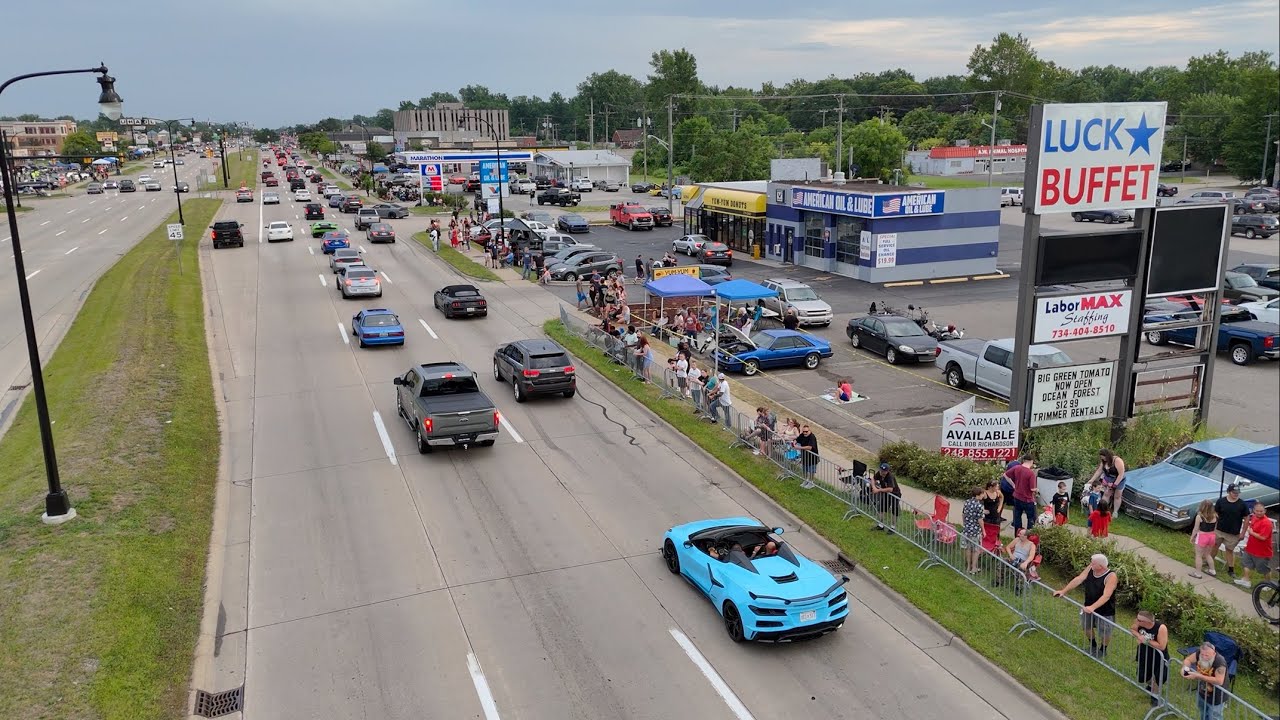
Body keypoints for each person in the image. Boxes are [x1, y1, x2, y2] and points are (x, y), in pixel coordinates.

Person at [1053, 553, 1118, 658]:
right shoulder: (1091, 568)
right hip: (1087, 605)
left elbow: (1106, 596)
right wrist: (1064, 591)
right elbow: (1079, 579)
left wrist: (1093, 607)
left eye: (1093, 564)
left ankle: (1103, 650)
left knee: (1105, 632)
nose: (1090, 565)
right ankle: (1092, 646)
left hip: (1105, 611)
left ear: (1101, 566)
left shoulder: (1111, 577)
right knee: (1086, 626)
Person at [1131, 610, 1170, 706]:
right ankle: (1151, 684)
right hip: (1144, 653)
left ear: (1147, 622)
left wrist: (1146, 640)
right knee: (1141, 677)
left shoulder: (1160, 628)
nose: (1136, 621)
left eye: (1139, 620)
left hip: (1158, 657)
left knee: (1159, 678)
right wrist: (1139, 636)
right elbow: (1132, 629)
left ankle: (1155, 696)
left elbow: (1162, 646)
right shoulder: (1139, 623)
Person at [1180, 641, 1228, 720]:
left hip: (1217, 697)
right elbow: (1188, 660)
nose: (1204, 657)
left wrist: (1199, 676)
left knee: (1214, 717)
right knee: (1203, 713)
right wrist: (1185, 669)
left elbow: (1219, 681)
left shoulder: (1220, 662)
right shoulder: (1199, 653)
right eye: (1202, 655)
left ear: (1214, 653)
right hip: (1202, 692)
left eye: (1207, 655)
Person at [1212, 484, 1249, 580]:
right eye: (1234, 493)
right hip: (1219, 530)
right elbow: (1215, 511)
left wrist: (1243, 533)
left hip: (1233, 532)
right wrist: (1216, 518)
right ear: (1229, 492)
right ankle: (1209, 561)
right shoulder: (1221, 501)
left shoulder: (1242, 504)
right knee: (1214, 546)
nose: (1236, 494)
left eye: (1237, 493)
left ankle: (1231, 569)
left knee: (1229, 550)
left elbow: (1246, 518)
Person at [1238, 500, 1274, 588]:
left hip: (1262, 552)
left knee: (1264, 569)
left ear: (1265, 511)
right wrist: (1250, 530)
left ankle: (1268, 584)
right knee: (1246, 563)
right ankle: (1246, 580)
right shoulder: (1254, 517)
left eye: (1261, 511)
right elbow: (1252, 527)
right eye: (1257, 511)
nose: (1259, 513)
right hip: (1250, 548)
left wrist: (1251, 533)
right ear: (1254, 510)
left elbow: (1263, 537)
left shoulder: (1267, 523)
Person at [1004, 455, 1038, 533]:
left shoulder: (1017, 468)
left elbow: (1005, 475)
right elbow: (1032, 489)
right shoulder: (1031, 473)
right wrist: (1037, 490)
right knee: (1030, 518)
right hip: (1027, 500)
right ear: (1031, 461)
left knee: (1017, 517)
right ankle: (1029, 535)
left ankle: (1017, 535)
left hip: (1017, 497)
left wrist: (1013, 485)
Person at [1089, 448, 1128, 513]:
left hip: (1119, 479)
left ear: (1107, 456)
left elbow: (1121, 474)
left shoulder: (1117, 460)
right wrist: (1092, 480)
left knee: (1117, 495)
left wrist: (1114, 485)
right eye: (1102, 458)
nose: (1103, 459)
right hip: (1109, 478)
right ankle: (1101, 510)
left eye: (1104, 458)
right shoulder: (1104, 462)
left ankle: (1115, 512)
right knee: (1106, 493)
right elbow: (1099, 470)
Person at [1189, 499, 1218, 578]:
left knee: (1198, 555)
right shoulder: (1215, 516)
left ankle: (1198, 573)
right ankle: (1212, 570)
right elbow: (1215, 528)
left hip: (1202, 536)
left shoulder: (1199, 516)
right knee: (1208, 554)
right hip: (1211, 536)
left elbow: (1196, 529)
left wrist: (1192, 537)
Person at [870, 463, 902, 532]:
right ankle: (880, 525)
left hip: (895, 495)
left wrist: (878, 490)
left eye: (884, 471)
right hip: (886, 494)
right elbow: (873, 479)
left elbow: (890, 489)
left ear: (887, 471)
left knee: (894, 511)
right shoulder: (879, 473)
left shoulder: (890, 477)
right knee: (882, 508)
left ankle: (893, 528)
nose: (882, 473)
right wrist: (873, 487)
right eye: (881, 470)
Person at [962, 485, 985, 573]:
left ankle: (968, 567)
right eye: (982, 494)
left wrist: (965, 524)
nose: (983, 495)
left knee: (968, 548)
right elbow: (980, 519)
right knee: (976, 550)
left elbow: (963, 514)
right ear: (979, 494)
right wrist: (983, 530)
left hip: (967, 529)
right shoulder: (979, 505)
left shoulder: (967, 502)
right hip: (975, 531)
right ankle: (973, 567)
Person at [980, 479, 1004, 552]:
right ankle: (984, 544)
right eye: (996, 487)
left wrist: (1000, 507)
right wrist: (982, 510)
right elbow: (978, 501)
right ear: (990, 487)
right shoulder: (984, 494)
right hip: (987, 517)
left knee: (996, 531)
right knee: (987, 530)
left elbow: (1002, 498)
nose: (997, 488)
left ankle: (996, 545)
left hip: (996, 516)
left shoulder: (997, 492)